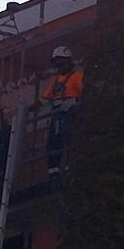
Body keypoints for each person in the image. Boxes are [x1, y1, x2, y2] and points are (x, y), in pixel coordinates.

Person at [40, 46, 84, 177]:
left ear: (68, 62)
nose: (59, 66)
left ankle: (70, 168)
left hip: (70, 113)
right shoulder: (56, 80)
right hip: (56, 114)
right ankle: (53, 172)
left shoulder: (77, 76)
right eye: (57, 63)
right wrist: (32, 108)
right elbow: (46, 98)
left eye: (62, 63)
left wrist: (74, 104)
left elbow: (83, 94)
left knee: (70, 139)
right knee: (54, 142)